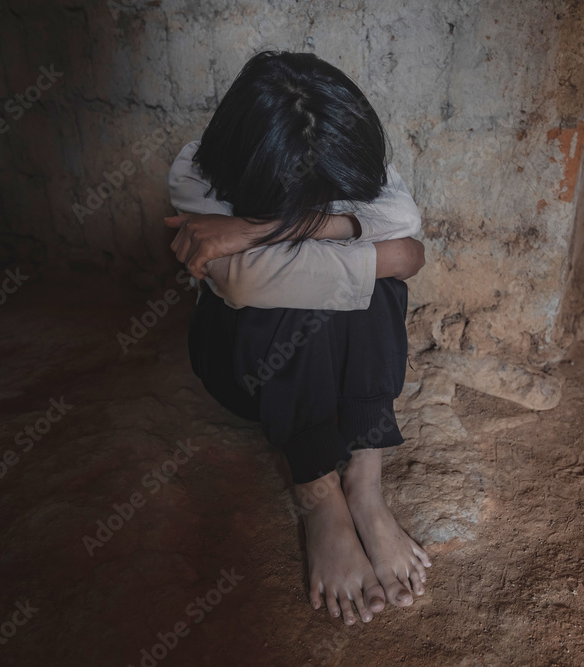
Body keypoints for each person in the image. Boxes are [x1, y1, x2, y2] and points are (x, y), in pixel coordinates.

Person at [165, 50, 431, 626]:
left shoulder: (349, 149)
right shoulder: (195, 168)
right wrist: (381, 250)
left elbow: (404, 224)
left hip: (342, 372)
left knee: (359, 276)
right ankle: (319, 496)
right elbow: (244, 282)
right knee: (333, 277)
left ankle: (364, 482)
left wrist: (261, 228)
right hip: (247, 364)